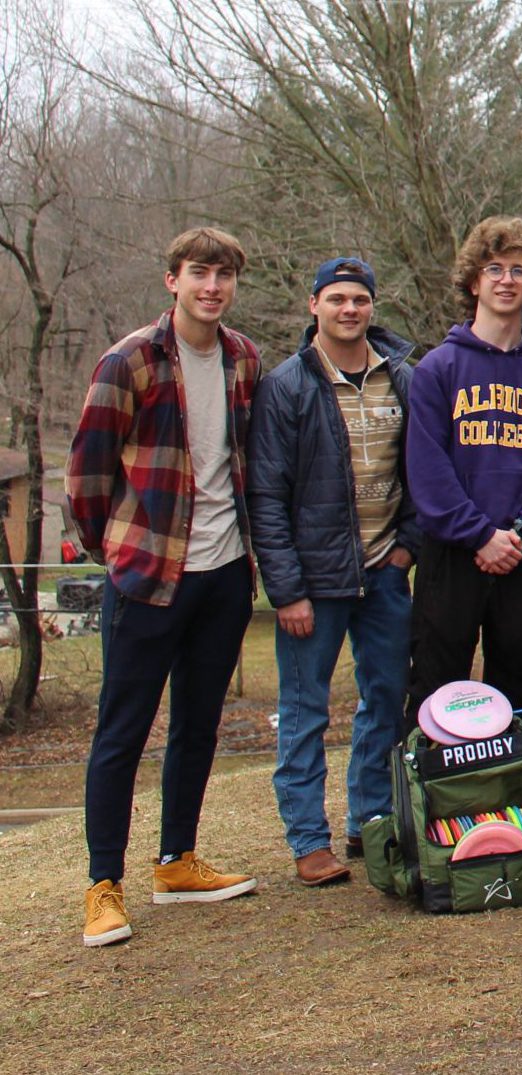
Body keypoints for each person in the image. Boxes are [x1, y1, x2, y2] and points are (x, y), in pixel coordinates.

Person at [68, 227, 263, 947]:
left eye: (223, 275)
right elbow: (87, 478)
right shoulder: (130, 361)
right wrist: (117, 552)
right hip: (148, 578)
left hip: (223, 576)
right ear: (171, 280)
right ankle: (103, 884)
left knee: (197, 726)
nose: (212, 286)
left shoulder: (243, 358)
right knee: (120, 733)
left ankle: (176, 860)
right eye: (199, 273)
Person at [248, 257, 416, 886]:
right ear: (313, 305)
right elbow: (265, 495)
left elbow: (424, 469)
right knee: (305, 711)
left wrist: (407, 549)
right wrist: (285, 589)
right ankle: (307, 840)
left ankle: (368, 821)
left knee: (384, 701)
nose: (350, 310)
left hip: (385, 573)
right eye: (338, 299)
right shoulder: (287, 386)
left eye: (361, 300)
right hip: (314, 585)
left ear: (373, 307)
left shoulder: (401, 378)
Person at [405, 217, 522, 716]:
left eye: (518, 270)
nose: (506, 280)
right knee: (437, 691)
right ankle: (434, 793)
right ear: (474, 281)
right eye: (494, 268)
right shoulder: (438, 369)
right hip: (454, 556)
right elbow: (428, 471)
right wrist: (481, 536)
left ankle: (518, 791)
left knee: (517, 692)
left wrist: (519, 533)